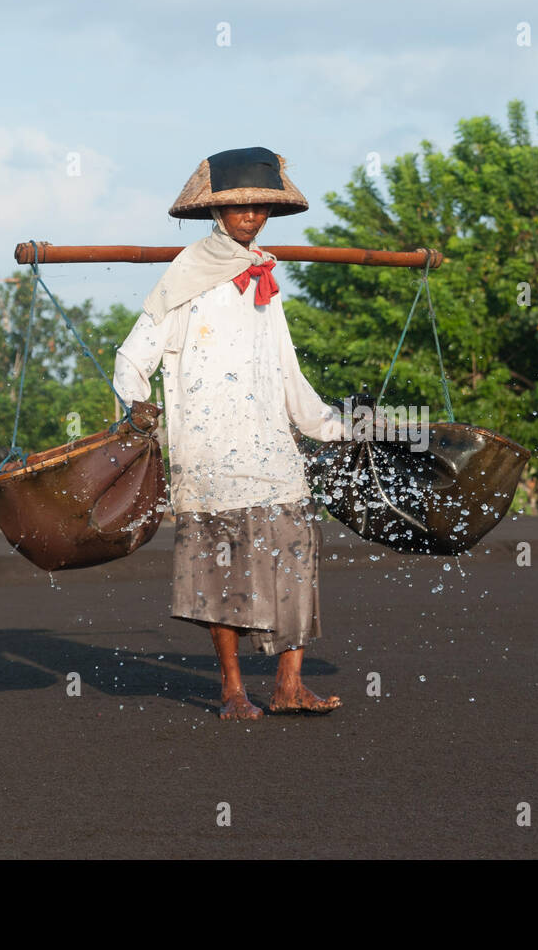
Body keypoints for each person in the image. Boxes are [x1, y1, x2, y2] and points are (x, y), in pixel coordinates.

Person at [112, 146, 355, 721]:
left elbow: (287, 375)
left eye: (259, 207)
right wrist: (141, 416)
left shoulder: (265, 276)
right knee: (220, 578)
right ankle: (231, 690)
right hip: (209, 453)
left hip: (273, 452)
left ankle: (290, 686)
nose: (250, 216)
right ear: (217, 213)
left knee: (295, 564)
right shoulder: (187, 276)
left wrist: (336, 429)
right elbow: (131, 359)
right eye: (239, 206)